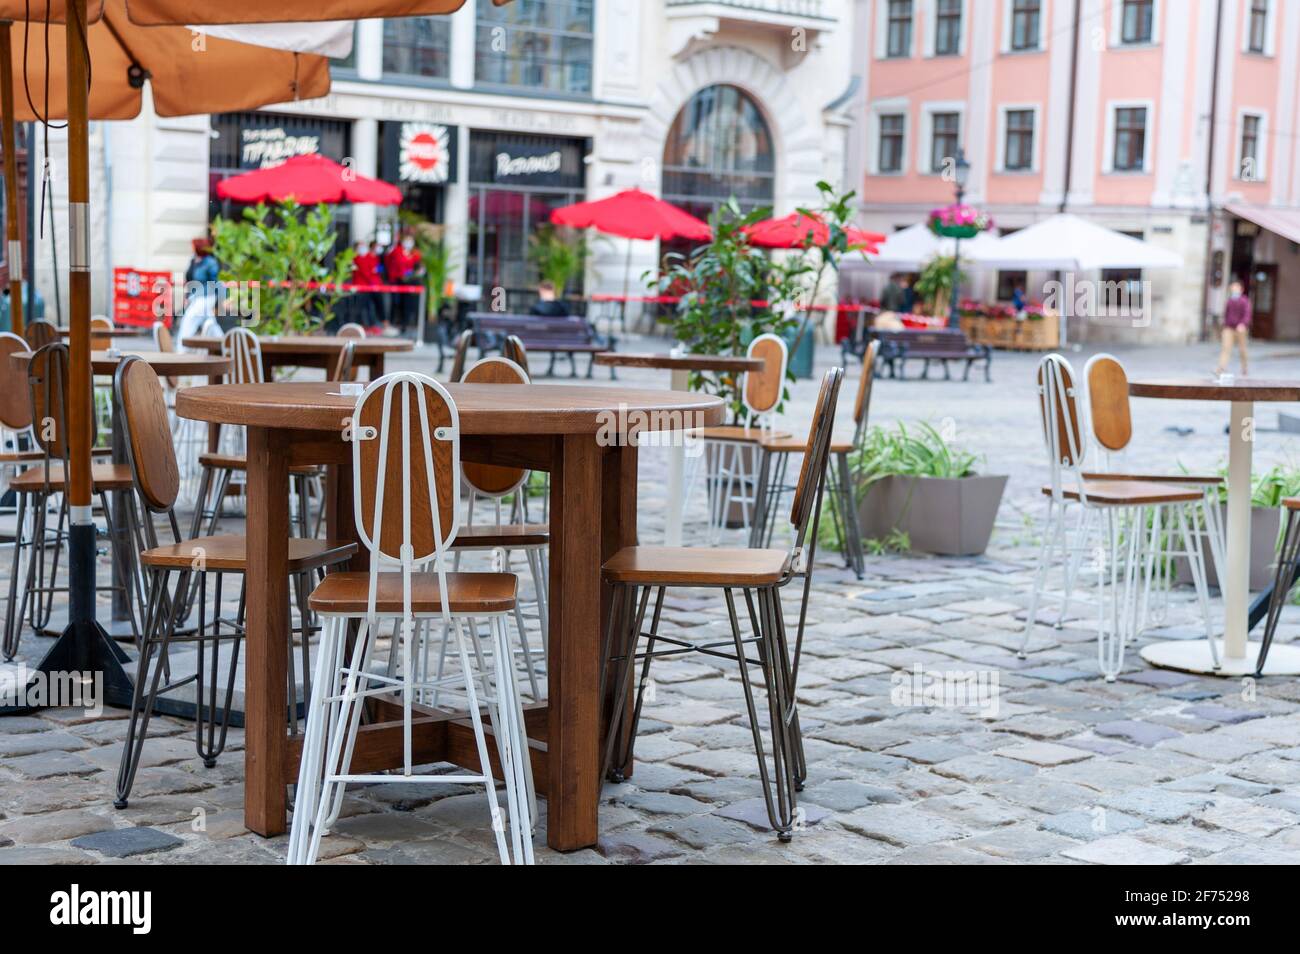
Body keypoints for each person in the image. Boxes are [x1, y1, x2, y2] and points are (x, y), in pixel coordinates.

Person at [384, 233, 423, 334]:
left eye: (411, 241)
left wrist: (417, 272)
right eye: (407, 240)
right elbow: (388, 261)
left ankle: (404, 324)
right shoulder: (396, 251)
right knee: (396, 303)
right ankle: (393, 323)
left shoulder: (414, 253)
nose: (409, 243)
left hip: (409, 282)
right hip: (396, 281)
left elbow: (418, 266)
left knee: (407, 304)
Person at [1217, 279, 1252, 377]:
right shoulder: (1229, 301)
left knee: (1242, 349)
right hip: (1229, 327)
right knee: (1225, 348)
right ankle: (1221, 367)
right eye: (1233, 287)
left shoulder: (1244, 301)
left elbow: (1247, 314)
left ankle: (1244, 367)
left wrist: (1243, 324)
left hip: (1241, 328)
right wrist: (1224, 325)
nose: (1234, 289)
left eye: (1236, 287)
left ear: (1241, 289)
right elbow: (1226, 314)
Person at [350, 240, 383, 330]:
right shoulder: (355, 258)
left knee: (369, 308)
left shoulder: (369, 257)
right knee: (359, 308)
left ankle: (370, 326)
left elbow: (374, 270)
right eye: (361, 246)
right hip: (360, 287)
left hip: (369, 287)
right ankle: (359, 326)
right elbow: (367, 272)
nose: (363, 248)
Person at [185, 236, 219, 305]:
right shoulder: (193, 260)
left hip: (205, 297)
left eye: (193, 246)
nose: (192, 248)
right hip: (193, 297)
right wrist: (187, 297)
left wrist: (195, 296)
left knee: (189, 316)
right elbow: (189, 280)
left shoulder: (210, 262)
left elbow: (214, 283)